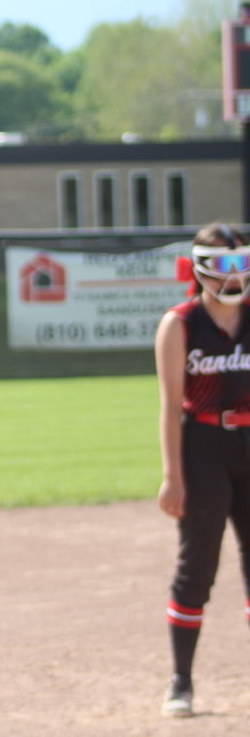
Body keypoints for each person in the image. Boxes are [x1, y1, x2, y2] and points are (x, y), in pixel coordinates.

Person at [155, 221, 250, 718]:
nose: (234, 276)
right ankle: (181, 681)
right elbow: (172, 407)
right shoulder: (182, 324)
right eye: (223, 265)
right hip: (204, 448)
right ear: (199, 269)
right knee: (197, 568)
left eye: (242, 264)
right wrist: (173, 477)